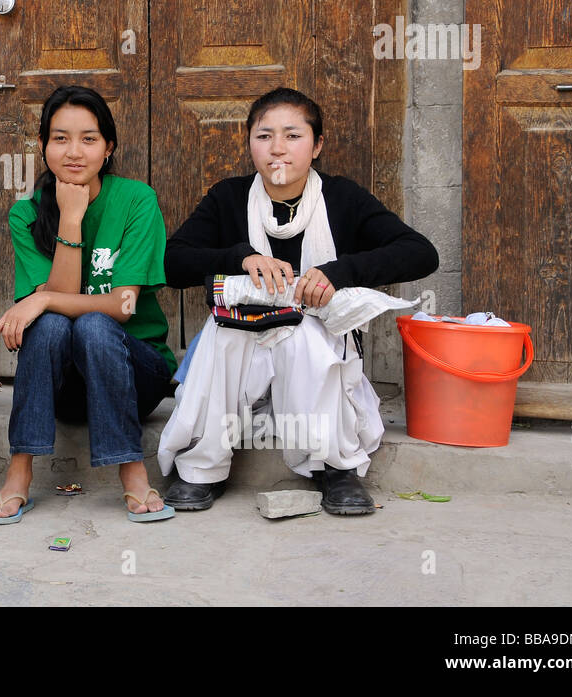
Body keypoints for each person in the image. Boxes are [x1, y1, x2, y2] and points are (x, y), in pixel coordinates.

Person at [158, 87, 439, 514]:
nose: (277, 150)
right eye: (264, 136)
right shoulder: (228, 198)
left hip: (314, 345)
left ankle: (335, 469)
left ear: (317, 144)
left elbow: (421, 253)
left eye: (292, 136)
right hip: (243, 346)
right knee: (223, 331)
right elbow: (174, 263)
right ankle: (201, 468)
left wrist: (338, 272)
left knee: (305, 330)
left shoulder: (342, 198)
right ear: (249, 142)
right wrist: (240, 257)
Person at [0, 86, 177, 525]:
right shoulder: (27, 214)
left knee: (92, 324)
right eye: (60, 138)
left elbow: (123, 307)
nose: (74, 152)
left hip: (135, 374)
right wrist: (70, 219)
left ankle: (131, 469)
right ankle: (19, 473)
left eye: (89, 139)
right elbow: (50, 317)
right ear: (42, 145)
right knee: (51, 328)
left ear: (109, 148)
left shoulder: (136, 201)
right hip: (63, 390)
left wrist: (46, 296)